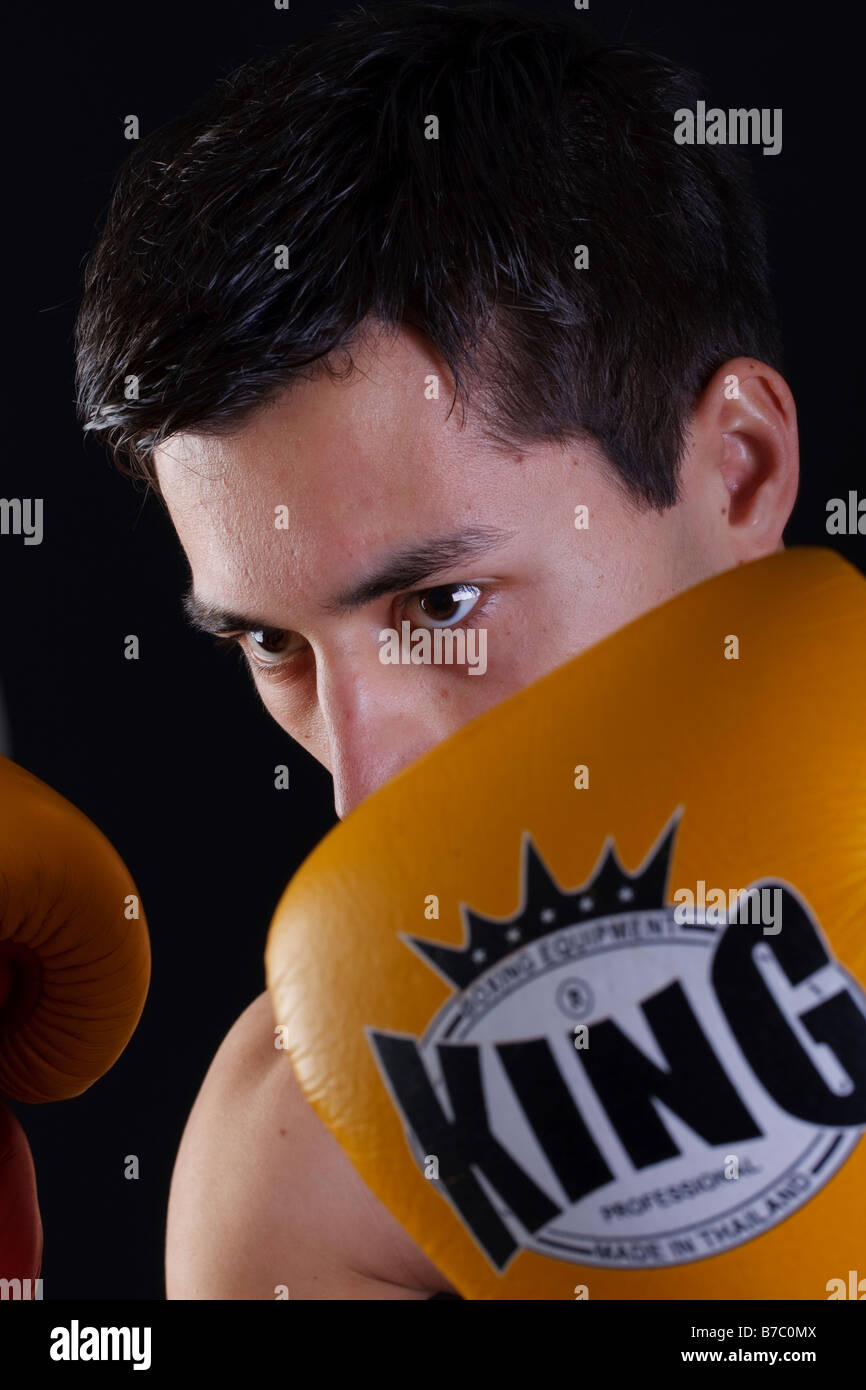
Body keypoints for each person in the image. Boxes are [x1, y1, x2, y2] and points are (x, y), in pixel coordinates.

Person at [73, 3, 798, 1298]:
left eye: (441, 608)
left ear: (736, 474)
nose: (358, 788)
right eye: (271, 644)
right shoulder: (314, 1149)